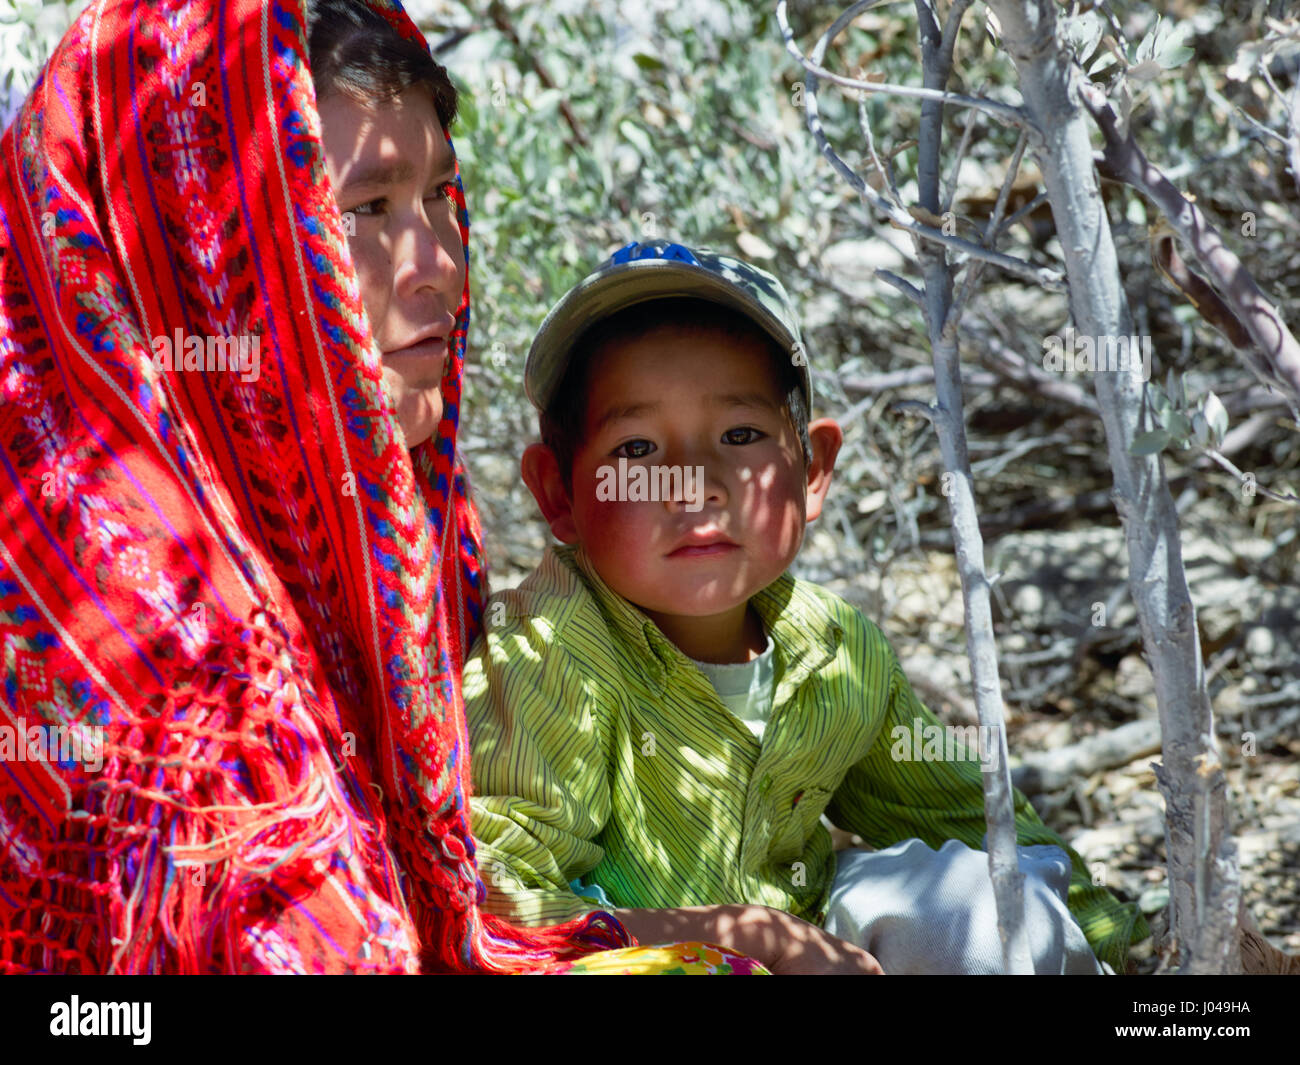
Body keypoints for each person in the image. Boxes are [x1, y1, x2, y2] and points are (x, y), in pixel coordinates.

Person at [0, 0, 771, 975]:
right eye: (364, 210)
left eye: (441, 196)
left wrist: (709, 935)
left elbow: (442, 914)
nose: (440, 268)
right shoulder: (182, 726)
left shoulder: (381, 573)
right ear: (201, 261)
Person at [465, 240, 1151, 974]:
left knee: (977, 906)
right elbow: (502, 903)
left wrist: (1115, 938)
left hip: (808, 939)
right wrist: (745, 935)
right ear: (558, 495)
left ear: (813, 469)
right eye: (636, 450)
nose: (696, 485)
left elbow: (964, 821)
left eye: (740, 435)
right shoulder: (544, 652)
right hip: (639, 956)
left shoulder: (834, 648)